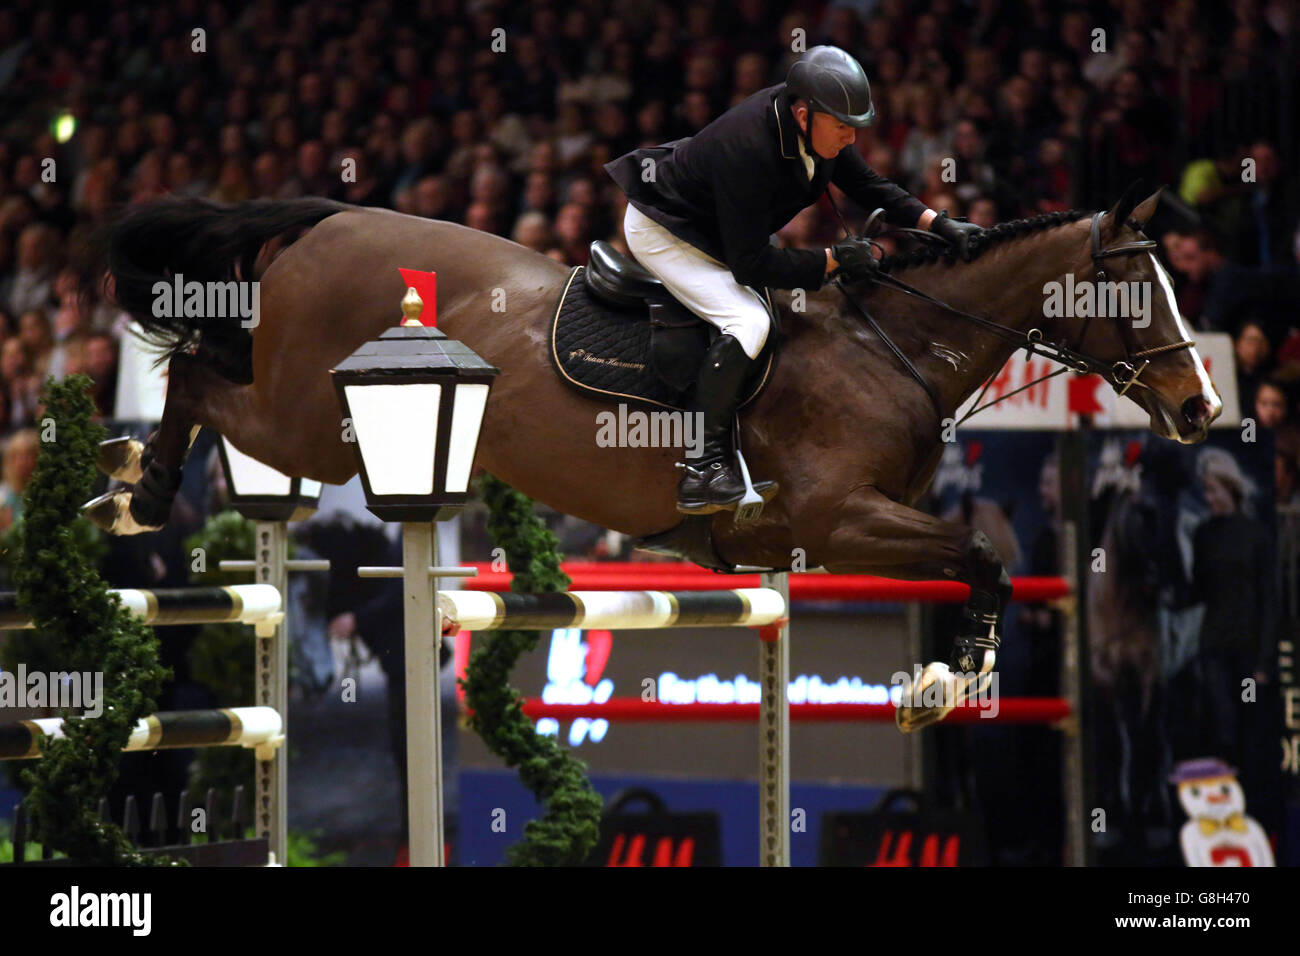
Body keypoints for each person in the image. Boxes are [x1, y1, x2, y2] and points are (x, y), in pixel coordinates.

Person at [604, 46, 981, 514]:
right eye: (843, 126)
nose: (850, 136)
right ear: (804, 114)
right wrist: (831, 261)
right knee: (748, 322)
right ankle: (703, 468)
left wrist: (937, 224)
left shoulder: (816, 125)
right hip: (666, 229)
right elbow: (751, 265)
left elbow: (868, 184)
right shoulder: (749, 148)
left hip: (713, 227)